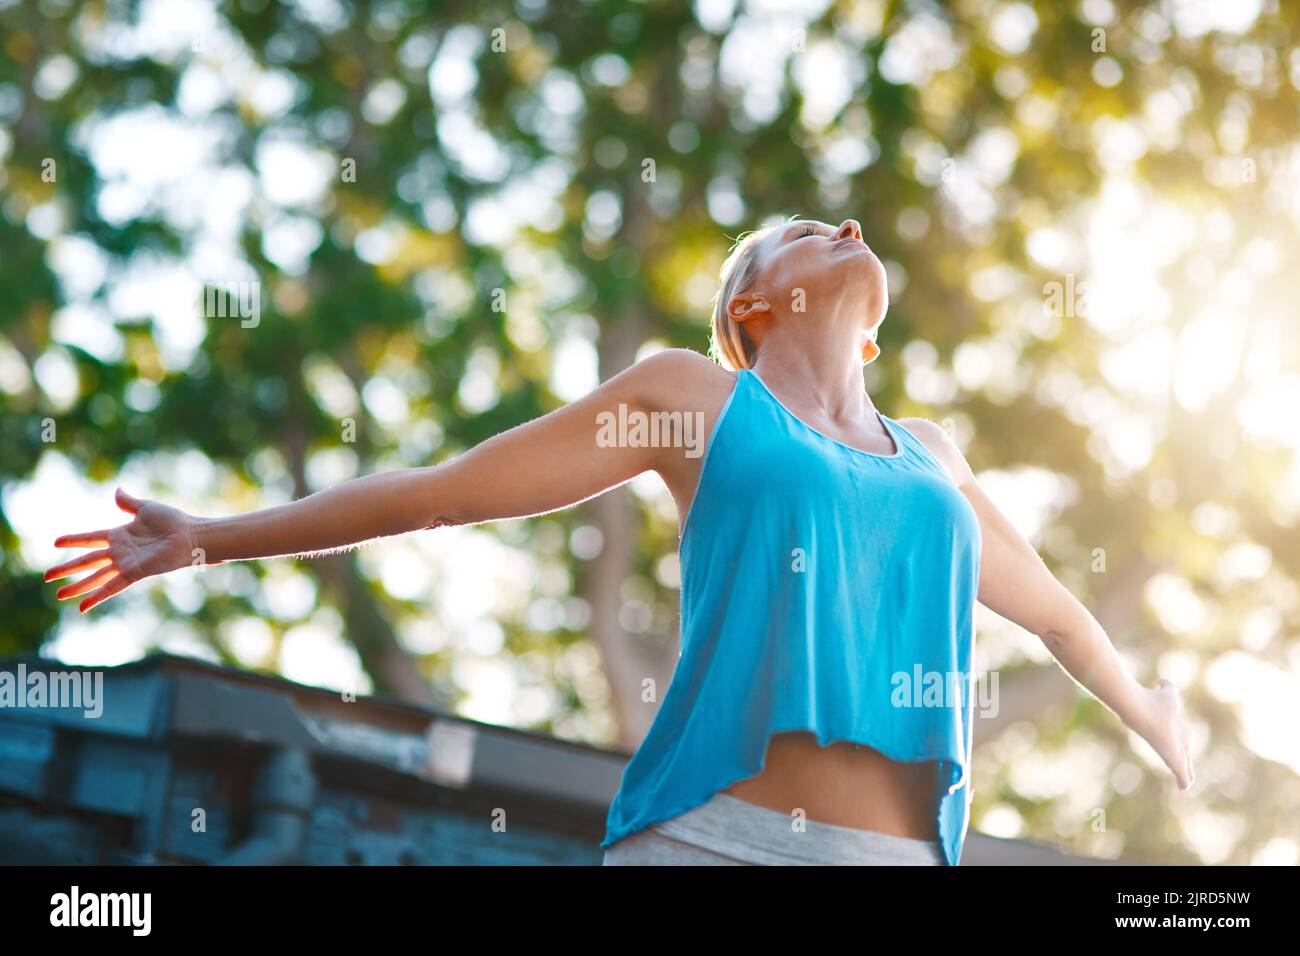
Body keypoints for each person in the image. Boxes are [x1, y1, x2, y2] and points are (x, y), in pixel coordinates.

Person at [45, 217, 1195, 866]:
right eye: (801, 234)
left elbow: (1053, 612)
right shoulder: (695, 398)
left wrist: (1150, 712)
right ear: (752, 308)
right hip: (709, 844)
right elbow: (446, 493)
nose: (843, 225)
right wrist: (209, 538)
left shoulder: (932, 457)